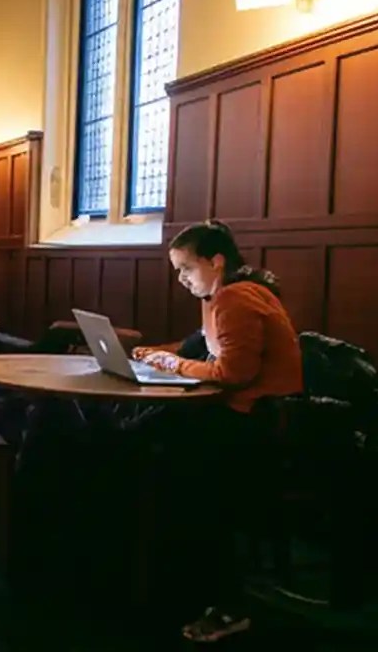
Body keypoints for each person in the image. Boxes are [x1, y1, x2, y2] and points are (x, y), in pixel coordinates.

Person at [132, 220, 303, 644]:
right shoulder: (223, 295)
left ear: (216, 261)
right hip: (242, 417)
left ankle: (215, 600)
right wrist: (163, 354)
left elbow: (231, 372)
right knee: (152, 438)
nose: (181, 279)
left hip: (257, 424)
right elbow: (201, 348)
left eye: (186, 269)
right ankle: (169, 581)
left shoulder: (235, 298)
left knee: (170, 468)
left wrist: (173, 365)